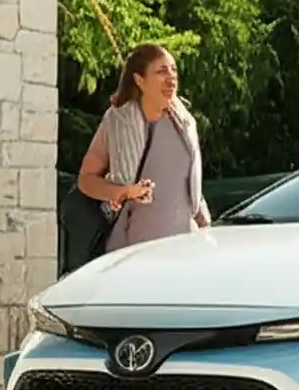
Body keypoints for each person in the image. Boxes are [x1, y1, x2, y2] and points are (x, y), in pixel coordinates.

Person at [77, 43, 211, 253]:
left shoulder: (185, 124)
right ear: (140, 80)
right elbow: (86, 179)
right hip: (132, 252)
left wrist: (207, 232)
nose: (171, 77)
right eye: (161, 71)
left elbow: (192, 191)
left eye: (173, 70)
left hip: (184, 250)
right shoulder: (117, 121)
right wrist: (121, 192)